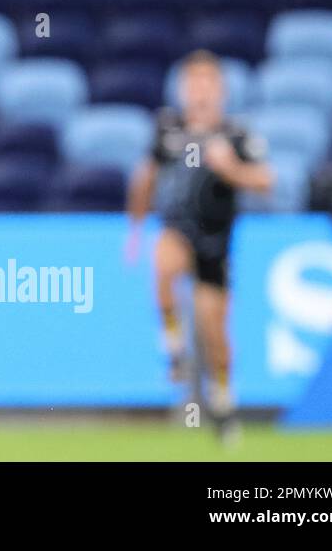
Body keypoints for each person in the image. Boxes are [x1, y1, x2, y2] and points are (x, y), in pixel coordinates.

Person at [125, 50, 274, 443]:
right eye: (194, 83)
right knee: (164, 263)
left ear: (221, 90)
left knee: (215, 334)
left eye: (208, 83)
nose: (200, 91)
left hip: (216, 242)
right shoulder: (169, 129)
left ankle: (222, 400)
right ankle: (173, 348)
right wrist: (135, 229)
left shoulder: (237, 135)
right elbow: (147, 176)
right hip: (178, 226)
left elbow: (266, 180)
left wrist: (231, 169)